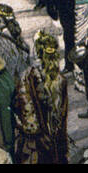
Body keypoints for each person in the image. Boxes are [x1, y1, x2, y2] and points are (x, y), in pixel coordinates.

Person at [14, 30, 69, 165]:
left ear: (38, 54)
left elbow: (20, 110)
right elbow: (63, 116)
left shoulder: (27, 78)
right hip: (56, 145)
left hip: (34, 147)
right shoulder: (61, 80)